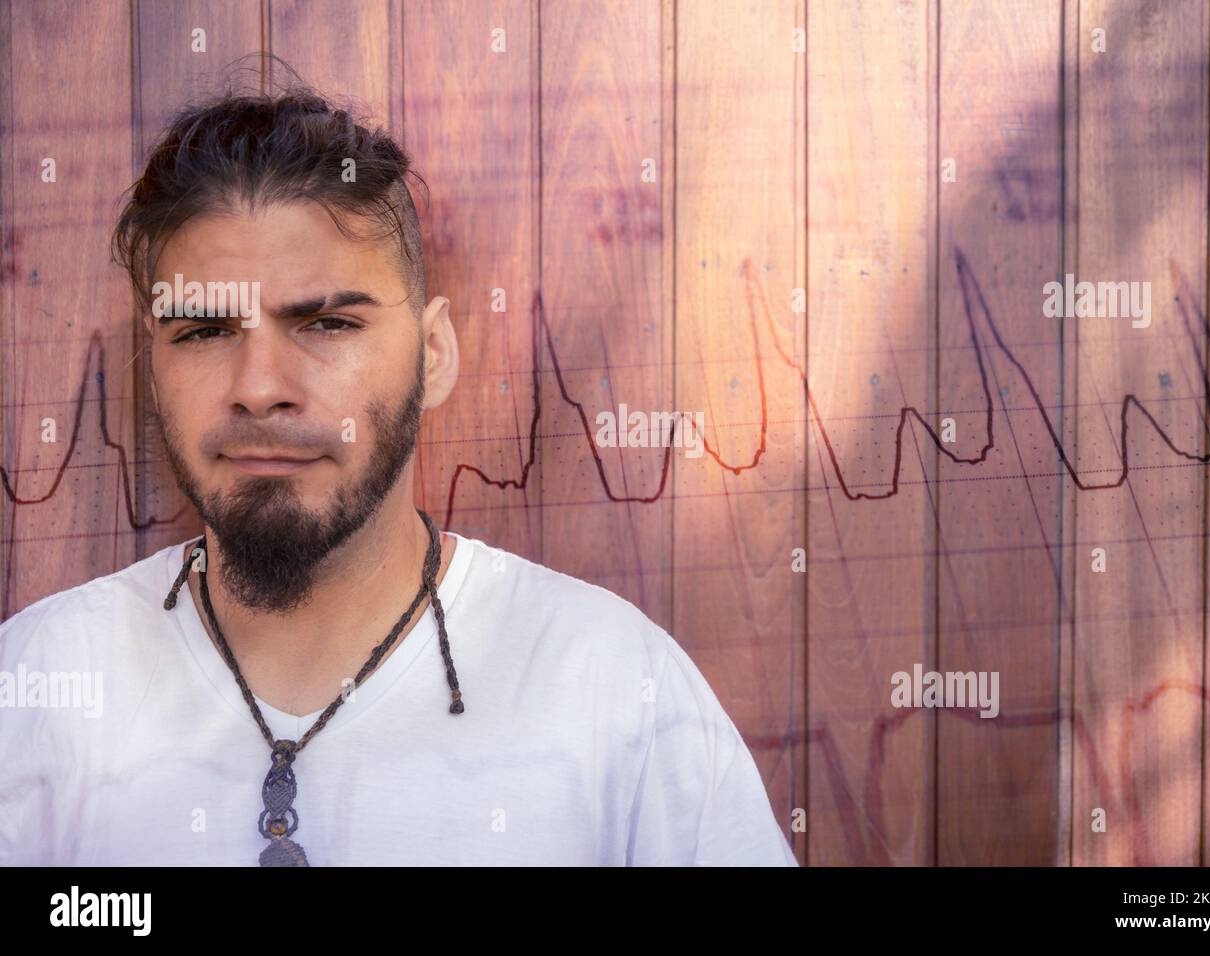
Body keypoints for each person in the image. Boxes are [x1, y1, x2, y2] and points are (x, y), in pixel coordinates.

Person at [0, 82, 797, 867]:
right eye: (205, 329)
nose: (258, 385)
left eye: (327, 323)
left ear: (435, 354)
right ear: (152, 362)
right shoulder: (37, 686)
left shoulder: (618, 690)